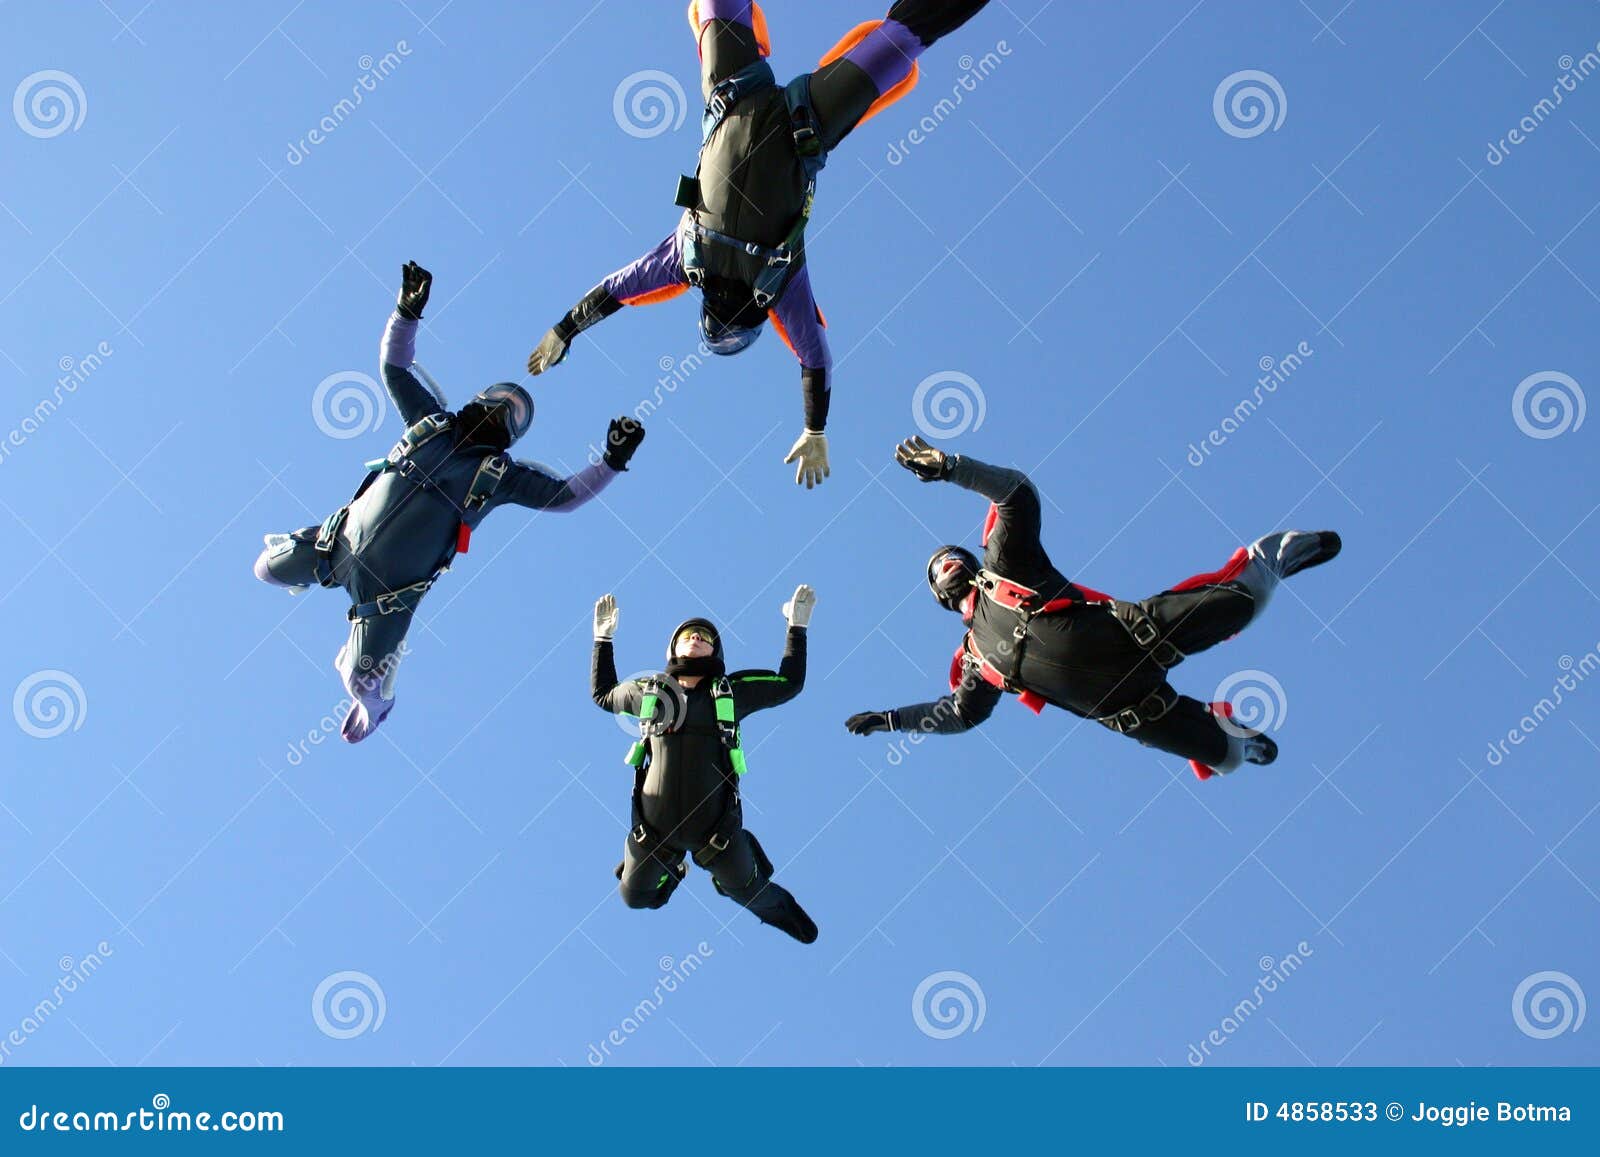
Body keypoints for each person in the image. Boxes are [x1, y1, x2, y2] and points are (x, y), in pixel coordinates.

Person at [526, 0, 992, 488]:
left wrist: (565, 329)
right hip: (804, 121)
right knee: (903, 39)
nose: (727, 319)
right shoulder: (775, 283)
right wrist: (815, 427)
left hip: (737, 94)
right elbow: (814, 358)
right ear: (751, 320)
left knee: (732, 8)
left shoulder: (688, 262)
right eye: (733, 329)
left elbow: (616, 290)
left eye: (718, 327)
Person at [254, 262, 646, 743]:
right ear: (478, 398)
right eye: (502, 399)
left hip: (388, 596)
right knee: (264, 569)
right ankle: (312, 580)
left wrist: (611, 461)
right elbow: (393, 368)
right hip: (334, 545)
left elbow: (565, 497)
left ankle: (381, 702)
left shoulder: (500, 477)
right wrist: (406, 311)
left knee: (360, 683)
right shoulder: (430, 422)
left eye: (515, 414)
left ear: (513, 438)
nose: (504, 409)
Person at [844, 437, 1342, 779]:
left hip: (1135, 636)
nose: (946, 563)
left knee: (1240, 603)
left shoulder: (1005, 567)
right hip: (1130, 709)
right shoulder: (976, 659)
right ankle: (1237, 740)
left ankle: (1272, 560)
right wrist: (891, 721)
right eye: (937, 569)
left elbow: (1019, 495)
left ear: (971, 561)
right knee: (1225, 755)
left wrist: (953, 467)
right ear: (939, 596)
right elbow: (956, 715)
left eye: (951, 556)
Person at [592, 588, 819, 942]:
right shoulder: (651, 692)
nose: (696, 637)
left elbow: (788, 683)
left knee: (752, 892)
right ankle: (674, 872)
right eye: (687, 635)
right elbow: (603, 695)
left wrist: (796, 628)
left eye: (705, 636)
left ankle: (752, 897)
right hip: (656, 837)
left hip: (717, 836)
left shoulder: (731, 691)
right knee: (632, 897)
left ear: (716, 651)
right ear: (674, 649)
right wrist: (602, 639)